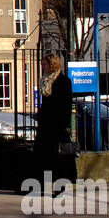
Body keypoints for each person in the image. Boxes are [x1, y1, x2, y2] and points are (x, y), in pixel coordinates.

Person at [34, 53, 76, 185]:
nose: (43, 67)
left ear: (52, 65)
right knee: (42, 156)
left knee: (60, 158)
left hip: (58, 126)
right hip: (45, 125)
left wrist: (64, 125)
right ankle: (40, 183)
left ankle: (61, 184)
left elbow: (66, 104)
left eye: (45, 64)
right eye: (42, 65)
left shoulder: (64, 81)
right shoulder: (44, 81)